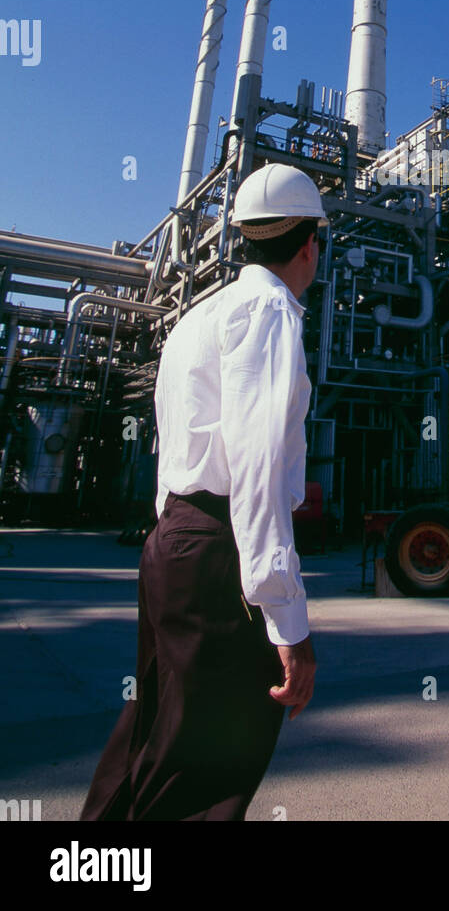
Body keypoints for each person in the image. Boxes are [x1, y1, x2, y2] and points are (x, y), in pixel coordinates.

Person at [80, 163, 326, 822]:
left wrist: (174, 539)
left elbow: (173, 445)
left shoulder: (199, 314)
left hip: (173, 541)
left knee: (153, 739)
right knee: (208, 771)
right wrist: (288, 623)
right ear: (309, 244)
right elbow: (258, 473)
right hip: (219, 554)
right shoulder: (273, 311)